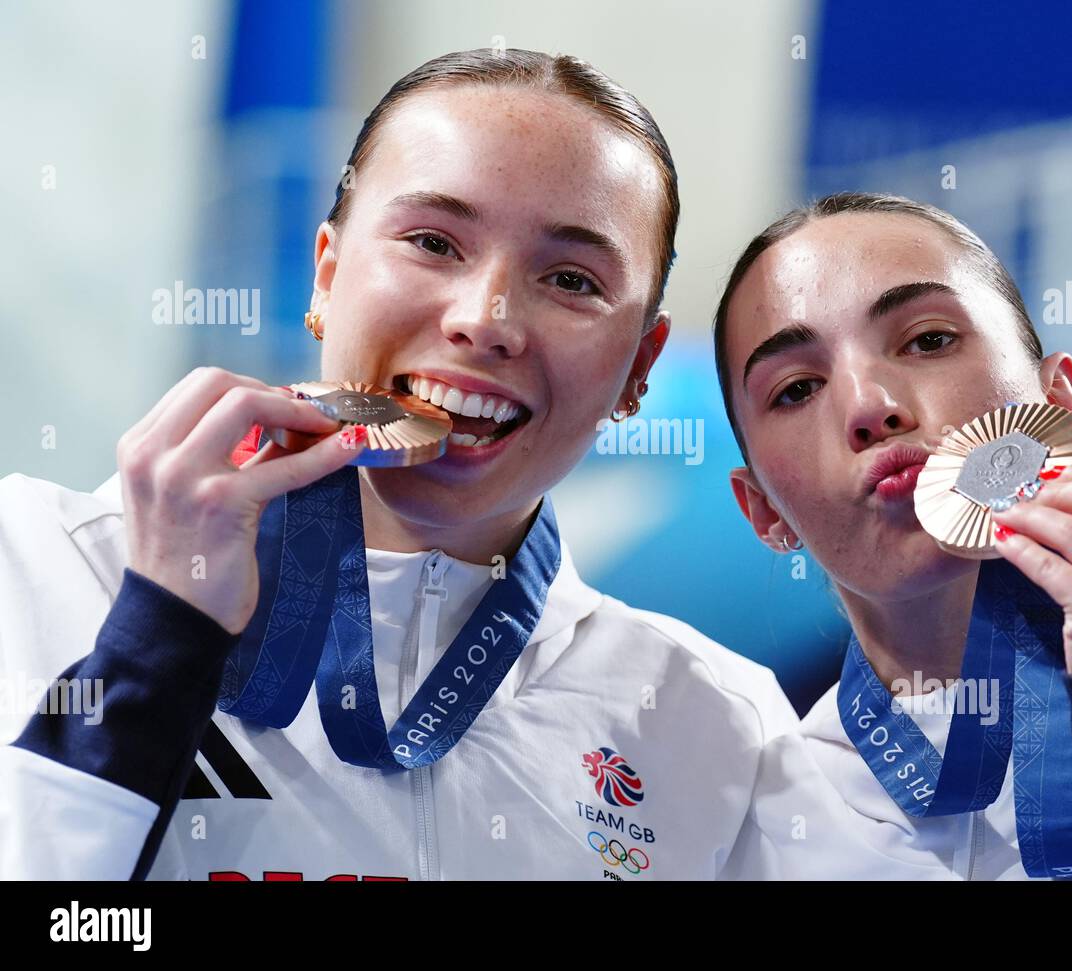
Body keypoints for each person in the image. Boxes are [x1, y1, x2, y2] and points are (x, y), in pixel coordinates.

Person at [0, 49, 797, 881]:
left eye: (570, 279)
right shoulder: (42, 565)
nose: (485, 320)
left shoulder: (721, 728)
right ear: (327, 274)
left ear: (640, 364)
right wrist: (157, 637)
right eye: (432, 241)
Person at [713, 192, 1072, 879]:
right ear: (764, 511)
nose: (870, 406)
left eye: (928, 339)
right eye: (797, 387)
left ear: (1058, 403)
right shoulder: (752, 823)